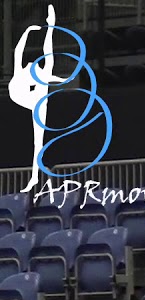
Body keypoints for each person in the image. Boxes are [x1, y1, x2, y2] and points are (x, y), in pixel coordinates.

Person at [8, 5, 66, 193]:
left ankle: (35, 176)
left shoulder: (41, 75)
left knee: (38, 141)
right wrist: (26, 32)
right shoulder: (22, 70)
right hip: (19, 94)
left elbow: (48, 52)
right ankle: (34, 175)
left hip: (36, 100)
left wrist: (51, 26)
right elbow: (17, 51)